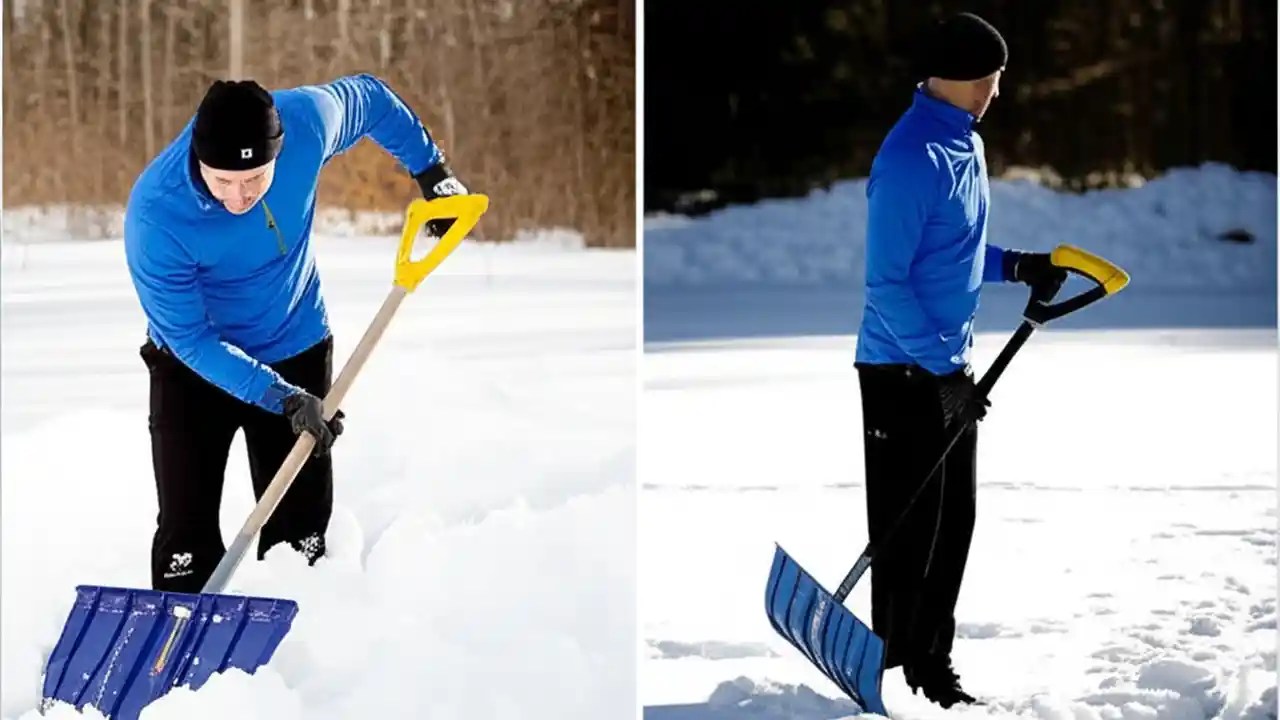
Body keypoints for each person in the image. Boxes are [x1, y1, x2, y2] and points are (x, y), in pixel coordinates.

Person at [124, 74, 469, 593]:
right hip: (193, 367)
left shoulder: (308, 122)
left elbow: (372, 99)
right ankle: (177, 654)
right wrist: (279, 397)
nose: (239, 196)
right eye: (223, 182)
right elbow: (192, 340)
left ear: (279, 154)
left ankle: (299, 651)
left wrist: (431, 169)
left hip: (294, 342)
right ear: (197, 157)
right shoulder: (156, 214)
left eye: (255, 179)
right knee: (185, 536)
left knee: (299, 535)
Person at [853, 12, 1066, 707]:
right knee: (907, 527)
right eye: (985, 79)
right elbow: (886, 282)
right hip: (899, 370)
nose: (994, 92)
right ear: (945, 77)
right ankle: (890, 664)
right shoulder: (910, 157)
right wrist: (940, 374)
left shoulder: (963, 145)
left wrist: (1017, 265)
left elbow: (951, 250)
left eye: (998, 78)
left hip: (947, 366)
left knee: (954, 522)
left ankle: (929, 664)